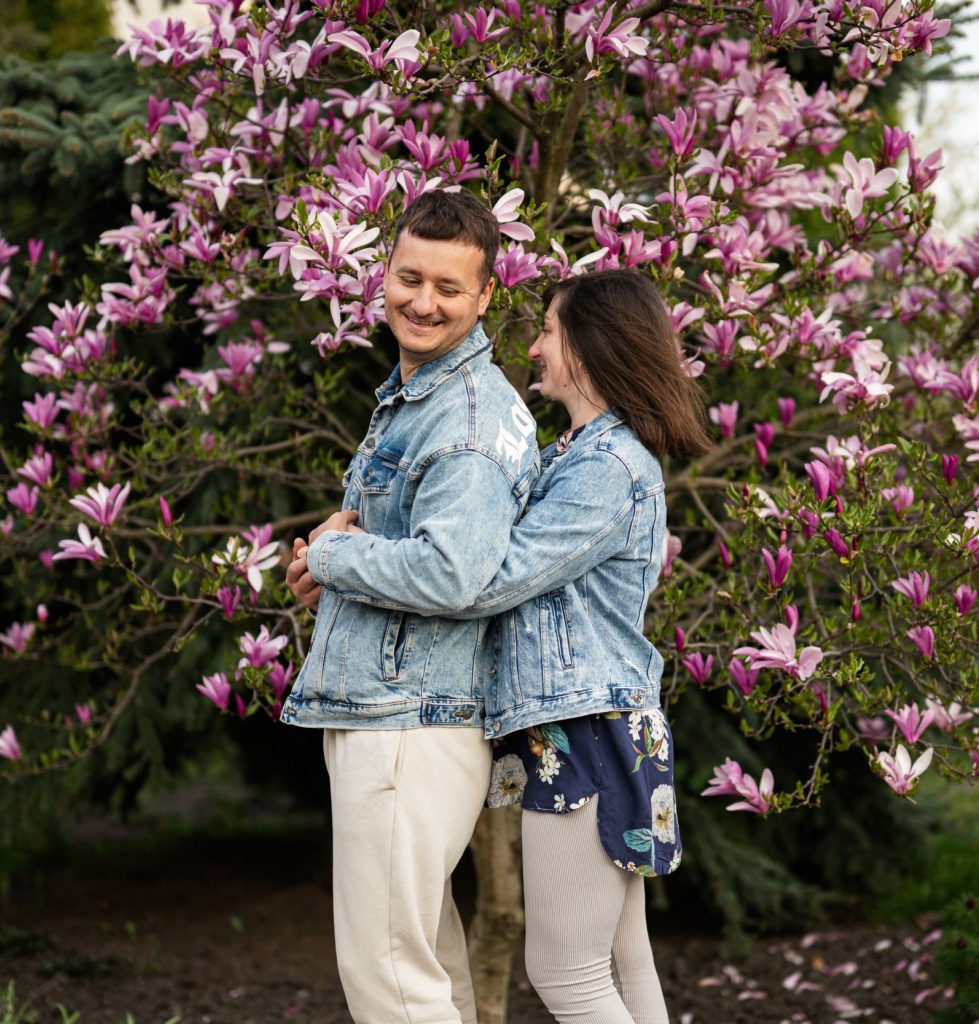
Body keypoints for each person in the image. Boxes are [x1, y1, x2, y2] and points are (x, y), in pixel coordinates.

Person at [299, 269, 712, 1022]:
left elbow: (487, 581)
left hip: (585, 731)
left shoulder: (606, 468)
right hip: (600, 723)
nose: (536, 346)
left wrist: (335, 558)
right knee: (626, 959)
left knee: (569, 974)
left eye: (550, 330)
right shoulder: (583, 455)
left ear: (589, 348)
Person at [279, 188, 540, 1024]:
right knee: (426, 969)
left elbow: (452, 572)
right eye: (407, 277)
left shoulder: (461, 416)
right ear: (382, 274)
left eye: (449, 288)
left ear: (487, 294)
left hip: (405, 724)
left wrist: (333, 552)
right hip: (407, 713)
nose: (422, 302)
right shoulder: (420, 391)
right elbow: (397, 547)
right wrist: (328, 568)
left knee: (392, 982)